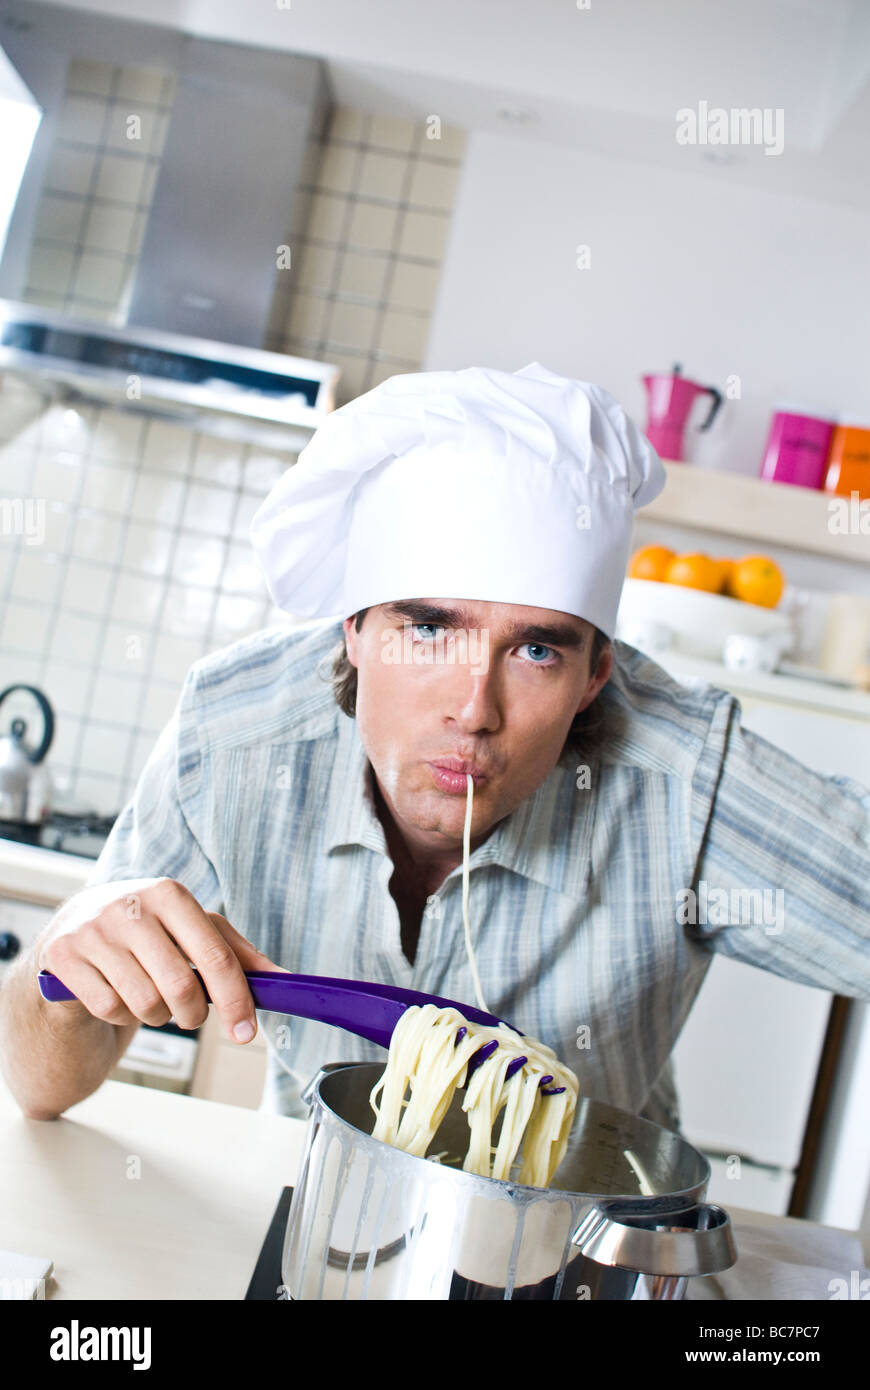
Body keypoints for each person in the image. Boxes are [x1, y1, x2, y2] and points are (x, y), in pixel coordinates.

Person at [2, 363, 868, 1131]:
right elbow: (40, 1090)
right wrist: (63, 954)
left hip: (579, 1248)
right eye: (425, 629)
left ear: (598, 673)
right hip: (325, 1223)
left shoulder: (678, 783)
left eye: (536, 650)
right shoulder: (233, 738)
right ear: (354, 629)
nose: (473, 709)